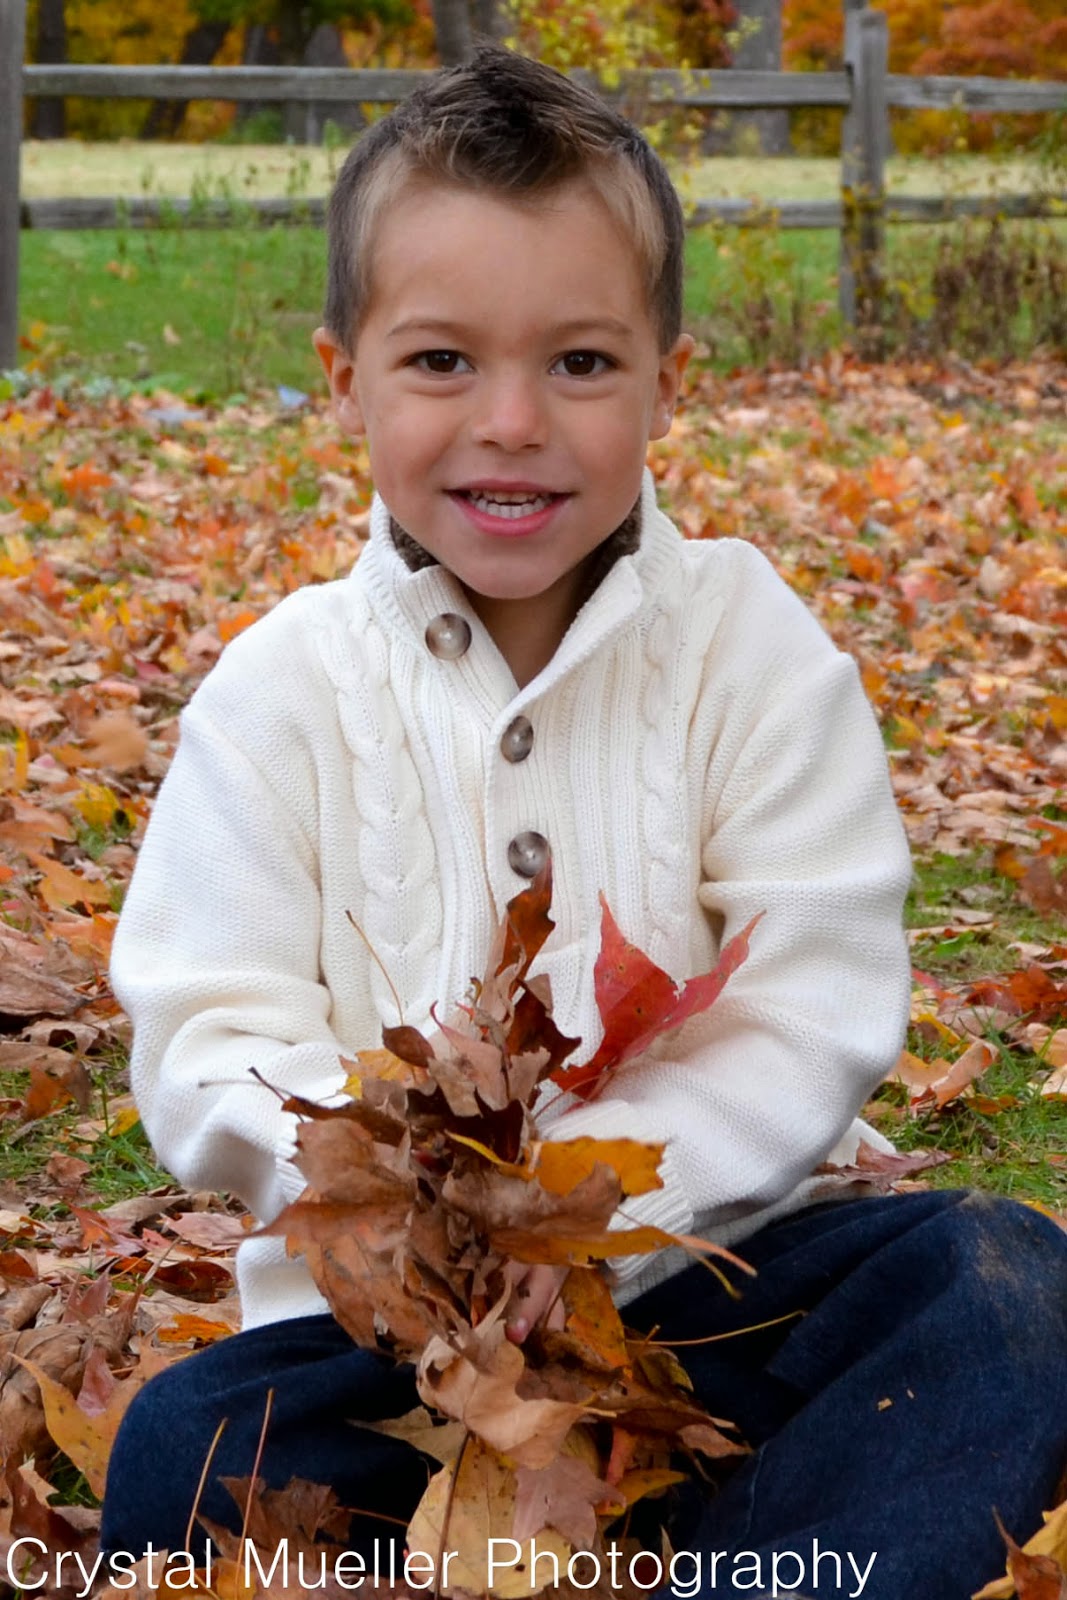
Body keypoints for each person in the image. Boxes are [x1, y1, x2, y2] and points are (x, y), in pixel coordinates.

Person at [101, 44, 1067, 1599]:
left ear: (667, 379)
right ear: (342, 374)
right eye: (440, 363)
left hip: (707, 1297)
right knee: (184, 1458)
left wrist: (601, 1213)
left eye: (581, 363)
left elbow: (814, 991)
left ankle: (755, 1569)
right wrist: (410, 1200)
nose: (511, 421)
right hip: (389, 1358)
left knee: (1001, 1282)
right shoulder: (278, 694)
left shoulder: (747, 646)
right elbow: (206, 1023)